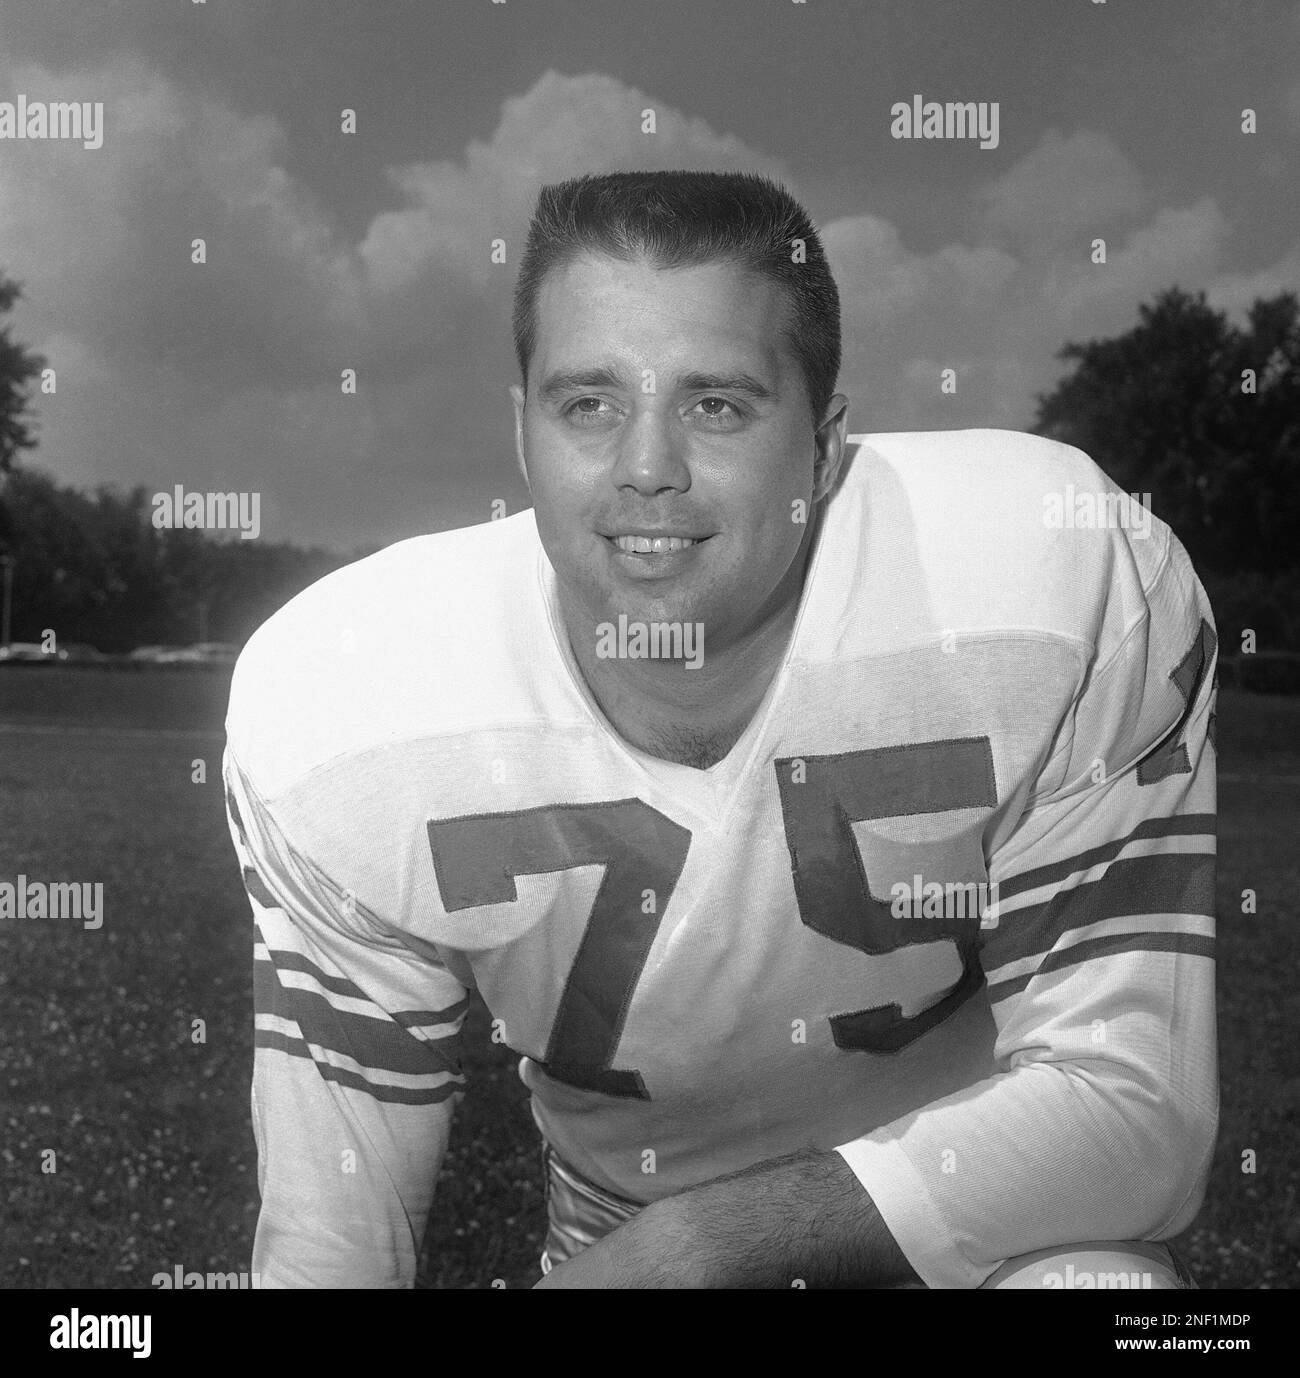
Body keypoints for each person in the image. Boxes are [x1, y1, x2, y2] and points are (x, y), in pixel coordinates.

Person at [223, 170, 1217, 1288]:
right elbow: (333, 1232)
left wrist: (700, 1248)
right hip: (619, 1229)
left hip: (986, 1221)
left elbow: (1134, 1114)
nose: (647, 469)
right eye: (589, 403)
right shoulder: (351, 705)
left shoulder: (1050, 583)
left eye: (717, 404)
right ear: (523, 432)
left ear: (824, 445)